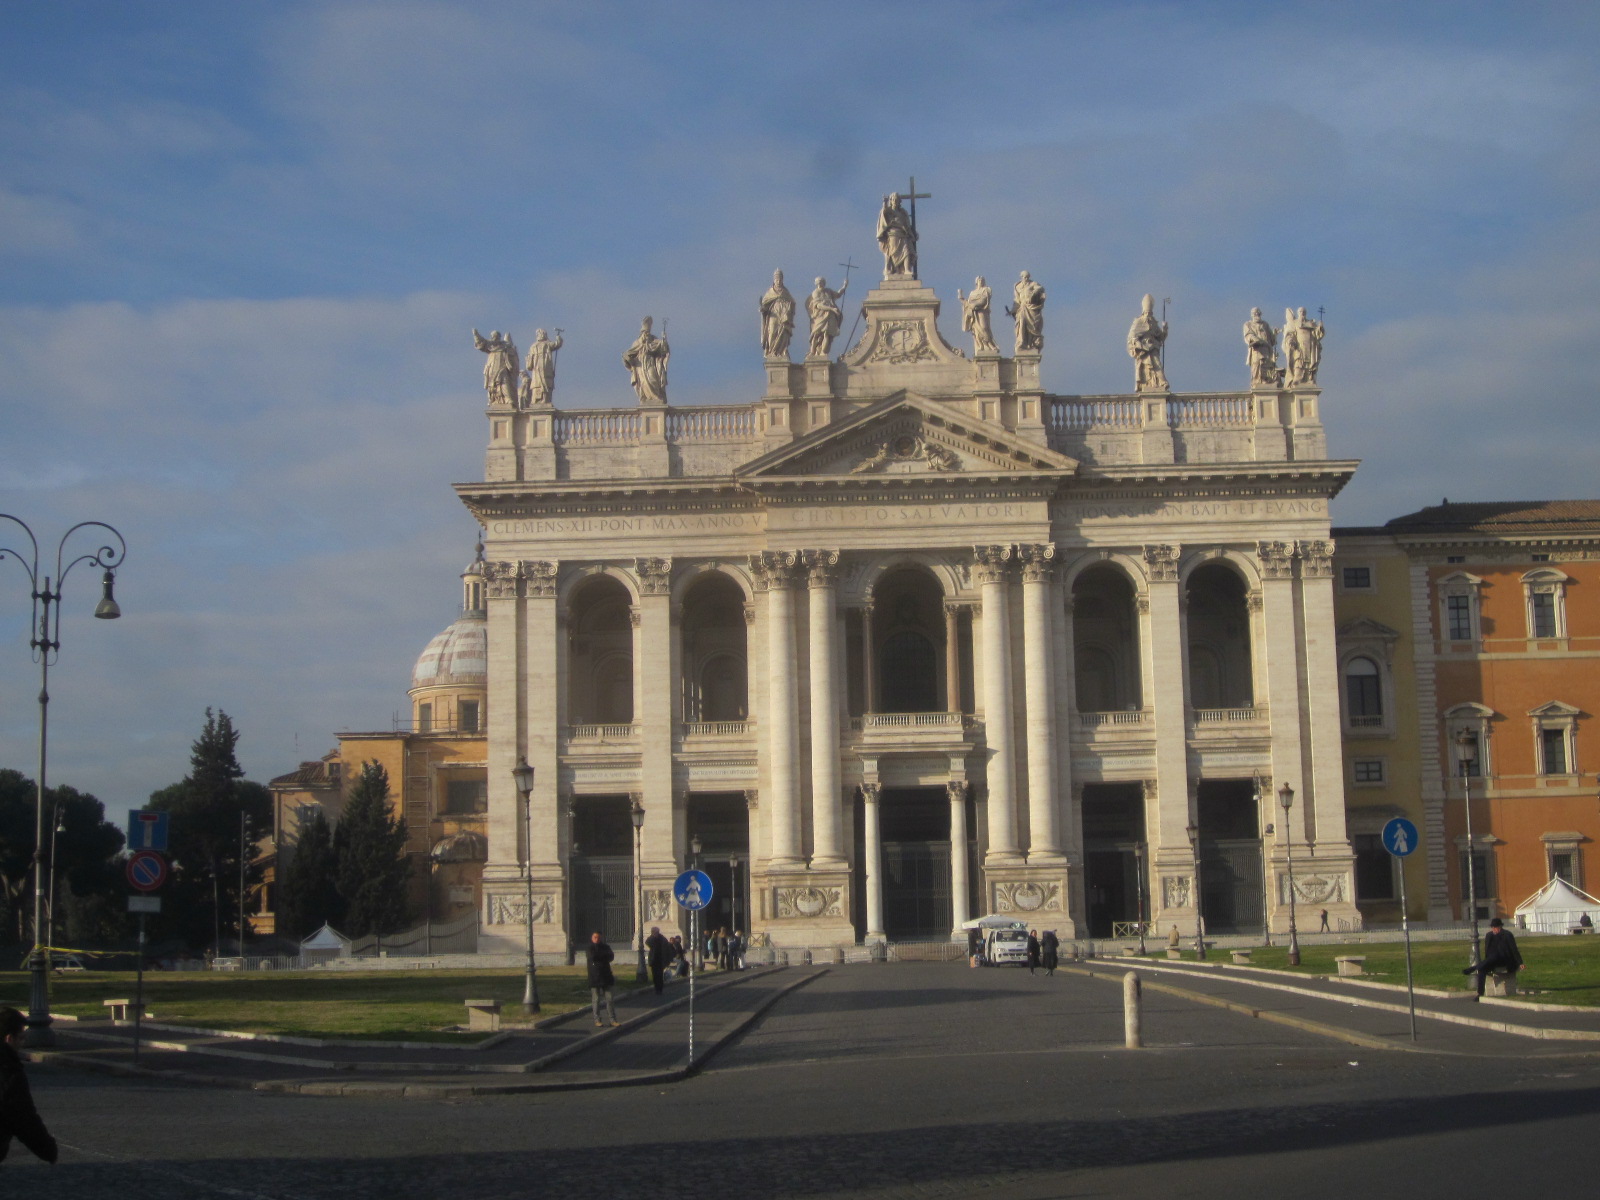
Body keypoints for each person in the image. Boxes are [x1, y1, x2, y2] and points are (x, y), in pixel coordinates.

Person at [0, 1006, 57, 1166]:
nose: (23, 1043)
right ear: (9, 1038)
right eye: (22, 1037)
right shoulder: (7, 1069)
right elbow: (22, 1115)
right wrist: (47, 1149)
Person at [1465, 917, 1524, 998]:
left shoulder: (1507, 935)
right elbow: (1487, 950)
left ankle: (1473, 968)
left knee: (1495, 955)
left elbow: (1514, 949)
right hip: (1492, 961)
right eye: (1492, 927)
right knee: (1482, 969)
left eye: (1495, 927)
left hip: (1505, 960)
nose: (1494, 929)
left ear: (1500, 927)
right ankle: (1480, 993)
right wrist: (1486, 963)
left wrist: (1520, 962)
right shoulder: (1489, 935)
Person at [622, 316, 670, 404]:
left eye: (647, 333)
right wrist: (626, 358)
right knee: (643, 383)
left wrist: (664, 340)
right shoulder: (636, 344)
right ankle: (648, 399)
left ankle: (656, 398)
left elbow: (663, 349)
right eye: (644, 333)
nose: (645, 335)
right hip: (639, 366)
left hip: (650, 363)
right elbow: (629, 358)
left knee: (653, 380)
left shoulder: (654, 342)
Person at [1127, 294, 1169, 391]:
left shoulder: (1153, 322)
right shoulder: (1138, 322)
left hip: (1153, 348)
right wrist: (1141, 345)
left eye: (1150, 313)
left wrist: (1165, 329)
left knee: (1157, 364)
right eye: (1147, 313)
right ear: (1144, 312)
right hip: (1144, 351)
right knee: (1153, 366)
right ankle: (1161, 382)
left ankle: (1161, 382)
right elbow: (1132, 336)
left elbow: (1160, 337)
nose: (1149, 315)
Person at [472, 328, 519, 407]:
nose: (494, 337)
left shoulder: (504, 346)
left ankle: (507, 398)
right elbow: (481, 342)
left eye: (496, 336)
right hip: (492, 367)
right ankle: (494, 399)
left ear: (499, 337)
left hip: (502, 366)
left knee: (504, 381)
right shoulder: (491, 346)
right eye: (493, 336)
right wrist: (476, 335)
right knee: (493, 384)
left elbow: (511, 351)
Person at [806, 276, 849, 358]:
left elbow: (838, 294)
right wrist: (832, 309)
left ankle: (823, 352)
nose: (820, 283)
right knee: (816, 334)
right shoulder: (815, 292)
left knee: (827, 334)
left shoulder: (828, 291)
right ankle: (813, 351)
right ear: (816, 283)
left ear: (824, 283)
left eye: (821, 282)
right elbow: (819, 305)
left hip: (830, 315)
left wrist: (844, 286)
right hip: (820, 315)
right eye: (818, 282)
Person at [520, 327, 563, 407]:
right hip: (536, 368)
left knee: (545, 381)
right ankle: (538, 400)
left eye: (541, 333)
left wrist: (558, 338)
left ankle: (545, 399)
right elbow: (529, 363)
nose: (540, 335)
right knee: (537, 383)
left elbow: (556, 344)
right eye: (539, 334)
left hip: (546, 366)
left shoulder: (547, 343)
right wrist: (528, 360)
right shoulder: (533, 346)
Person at [877, 193, 917, 278]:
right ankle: (891, 269)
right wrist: (884, 204)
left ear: (899, 202)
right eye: (893, 199)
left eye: (896, 200)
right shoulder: (888, 211)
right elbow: (883, 218)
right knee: (891, 252)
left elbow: (907, 224)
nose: (895, 201)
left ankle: (907, 270)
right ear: (891, 201)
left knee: (906, 251)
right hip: (892, 235)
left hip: (903, 234)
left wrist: (911, 232)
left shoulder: (903, 212)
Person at [759, 270, 796, 358]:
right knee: (772, 332)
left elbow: (792, 302)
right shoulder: (770, 292)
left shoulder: (785, 292)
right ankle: (772, 351)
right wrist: (763, 309)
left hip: (783, 314)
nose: (778, 281)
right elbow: (765, 303)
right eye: (777, 280)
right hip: (773, 313)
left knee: (783, 331)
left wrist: (789, 310)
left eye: (780, 279)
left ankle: (781, 351)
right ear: (774, 280)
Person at [1006, 271, 1045, 353]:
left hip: (1031, 308)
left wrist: (1034, 292)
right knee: (1021, 324)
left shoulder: (1033, 283)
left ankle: (1029, 344)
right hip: (1022, 308)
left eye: (1027, 277)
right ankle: (1021, 343)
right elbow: (1017, 300)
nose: (1026, 278)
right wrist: (1012, 311)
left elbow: (1041, 288)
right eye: (1024, 277)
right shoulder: (1017, 286)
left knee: (1031, 327)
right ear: (1021, 277)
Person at [586, 931, 618, 1027]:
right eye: (595, 937)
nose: (597, 939)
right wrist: (603, 956)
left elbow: (611, 956)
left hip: (606, 976)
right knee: (596, 1000)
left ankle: (612, 1020)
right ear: (592, 938)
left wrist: (600, 956)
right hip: (594, 977)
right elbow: (592, 957)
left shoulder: (606, 947)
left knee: (610, 999)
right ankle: (597, 1020)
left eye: (598, 937)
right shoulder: (589, 948)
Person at [958, 276, 997, 354]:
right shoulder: (972, 293)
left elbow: (984, 300)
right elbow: (968, 303)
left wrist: (974, 305)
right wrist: (961, 298)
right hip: (973, 314)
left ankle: (989, 345)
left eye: (982, 280)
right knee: (976, 331)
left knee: (984, 327)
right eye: (979, 280)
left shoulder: (986, 290)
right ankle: (981, 346)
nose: (981, 281)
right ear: (976, 282)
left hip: (981, 312)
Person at [1242, 307, 1279, 387]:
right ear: (1252, 315)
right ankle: (1257, 381)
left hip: (1266, 349)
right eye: (1254, 313)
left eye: (1258, 313)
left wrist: (1274, 334)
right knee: (1256, 365)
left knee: (1266, 365)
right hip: (1256, 349)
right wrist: (1255, 339)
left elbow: (1271, 339)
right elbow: (1248, 335)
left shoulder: (1265, 324)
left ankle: (1265, 380)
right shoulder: (1248, 324)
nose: (1256, 314)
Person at [645, 925, 672, 995]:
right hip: (654, 960)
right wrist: (652, 937)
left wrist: (667, 960)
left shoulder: (662, 939)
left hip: (661, 960)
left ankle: (659, 989)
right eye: (653, 932)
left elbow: (667, 950)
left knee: (659, 975)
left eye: (654, 932)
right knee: (655, 975)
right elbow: (647, 942)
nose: (653, 933)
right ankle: (657, 988)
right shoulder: (652, 939)